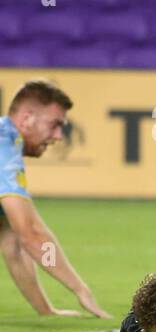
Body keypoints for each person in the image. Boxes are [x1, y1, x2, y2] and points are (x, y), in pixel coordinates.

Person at [0, 79, 110, 317]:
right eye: (54, 125)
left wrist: (45, 310)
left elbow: (16, 244)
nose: (59, 136)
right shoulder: (5, 148)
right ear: (27, 118)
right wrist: (79, 288)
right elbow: (32, 236)